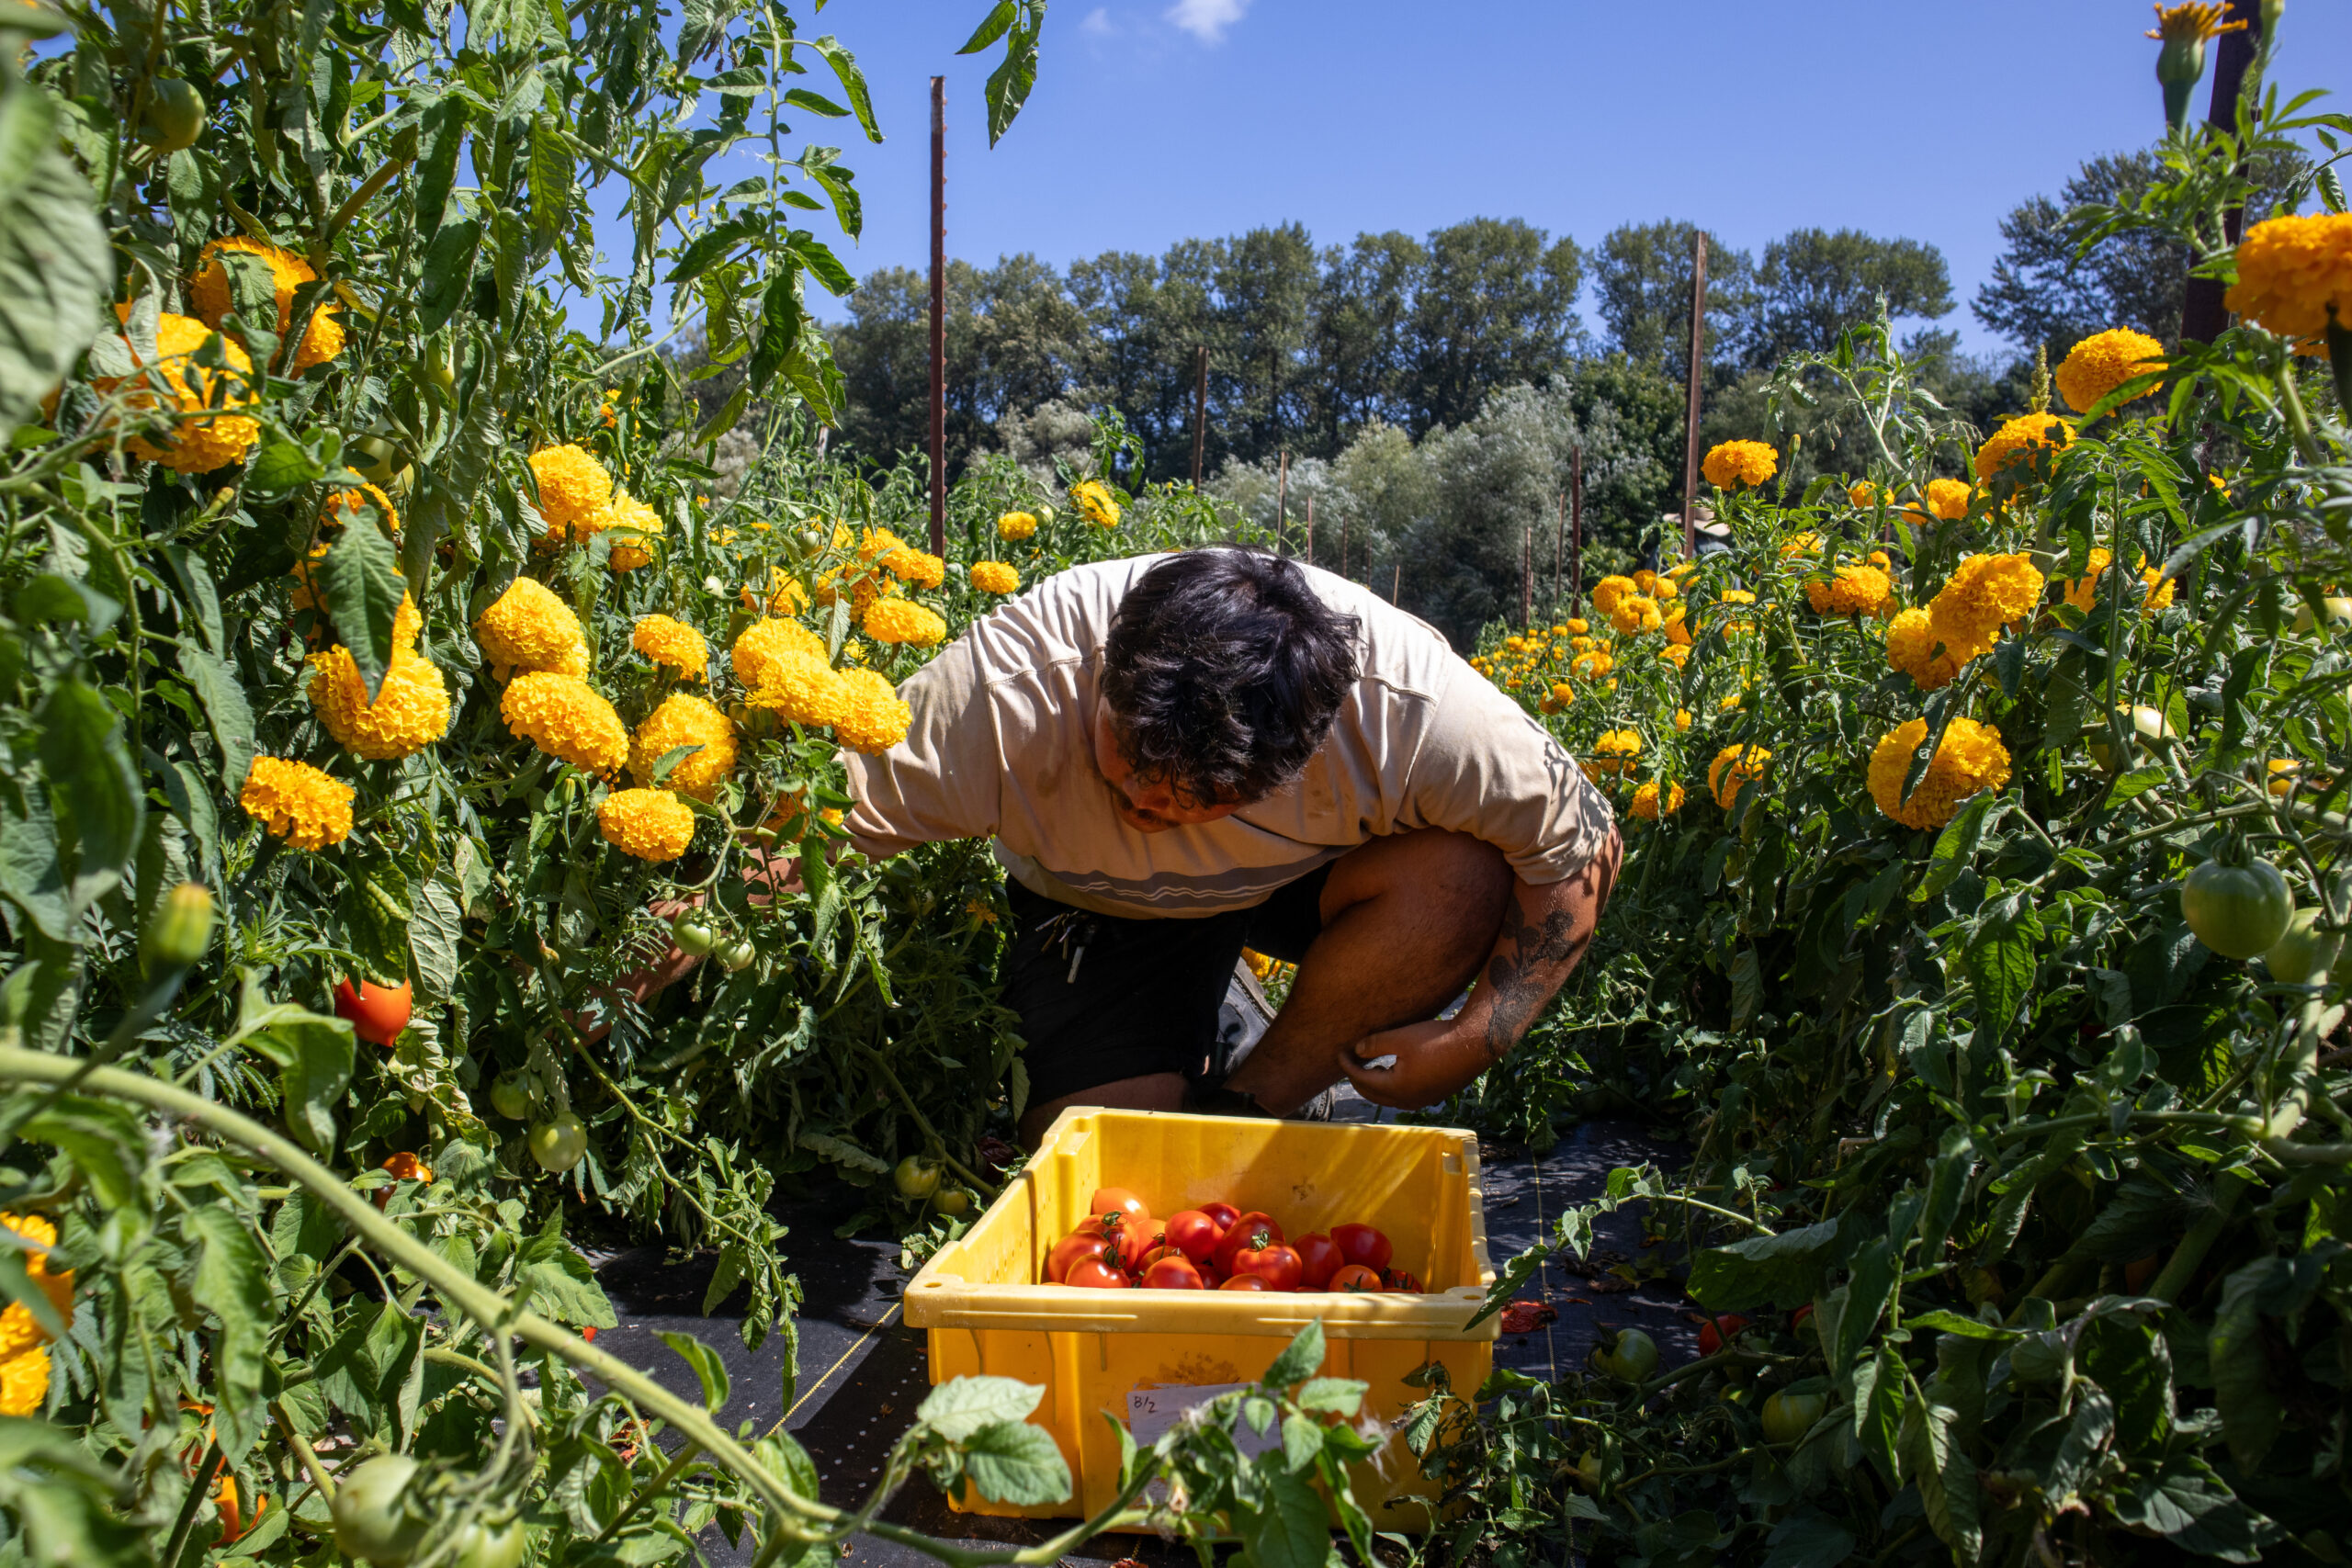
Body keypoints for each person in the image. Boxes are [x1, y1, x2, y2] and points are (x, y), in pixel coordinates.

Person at [835, 546, 1622, 1144]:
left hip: (1300, 874)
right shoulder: (1008, 687)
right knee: (1107, 1161)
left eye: (1206, 793)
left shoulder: (1410, 709)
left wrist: (1477, 1037)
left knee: (1464, 875)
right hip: (1102, 900)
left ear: (1307, 749)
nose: (1147, 802)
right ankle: (1213, 1007)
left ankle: (1258, 1092)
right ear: (1108, 674)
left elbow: (1585, 839)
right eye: (1128, 755)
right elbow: (814, 825)